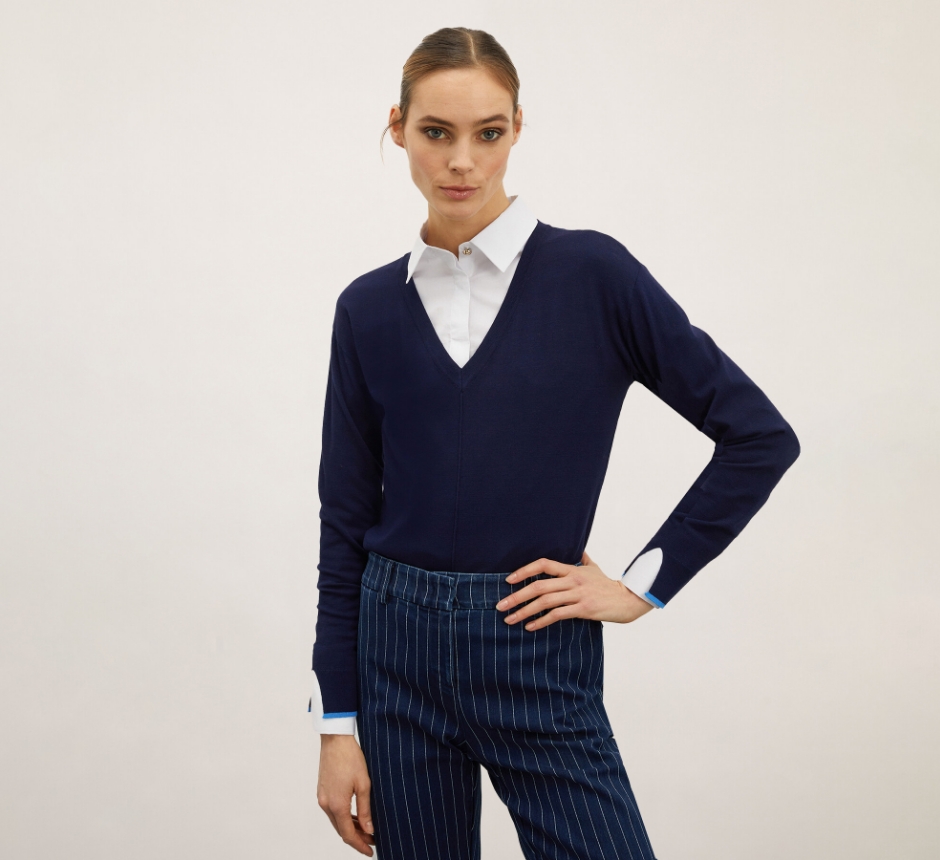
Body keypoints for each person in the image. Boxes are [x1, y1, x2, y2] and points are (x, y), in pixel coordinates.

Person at [311, 26, 799, 860]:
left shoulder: (592, 276)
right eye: (436, 132)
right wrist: (336, 722)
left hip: (535, 644)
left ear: (517, 129)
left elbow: (759, 436)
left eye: (488, 133)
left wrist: (642, 586)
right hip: (396, 656)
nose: (462, 160)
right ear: (398, 129)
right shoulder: (367, 309)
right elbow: (344, 520)